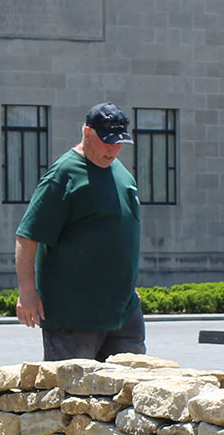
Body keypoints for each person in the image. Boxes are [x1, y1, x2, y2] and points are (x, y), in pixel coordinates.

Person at [15, 103, 144, 360]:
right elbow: (28, 235)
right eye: (107, 141)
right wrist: (27, 292)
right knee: (72, 393)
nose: (113, 150)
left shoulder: (122, 174)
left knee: (130, 391)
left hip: (123, 310)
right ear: (87, 133)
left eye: (119, 143)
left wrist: (127, 284)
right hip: (74, 315)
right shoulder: (64, 174)